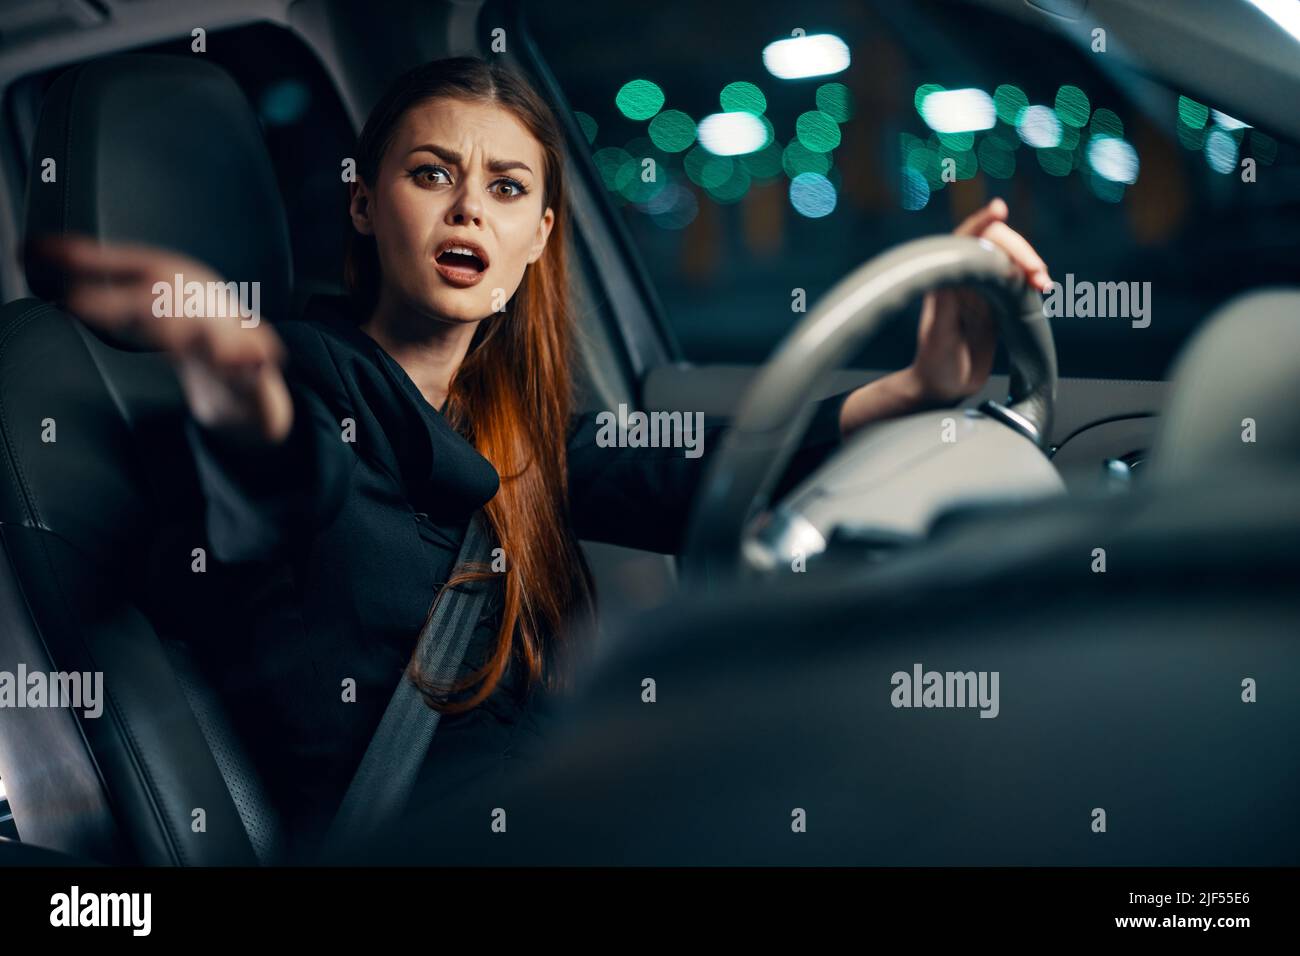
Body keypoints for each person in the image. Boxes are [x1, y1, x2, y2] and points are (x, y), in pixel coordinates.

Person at [32, 57, 1052, 858]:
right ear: (363, 205)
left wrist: (914, 390)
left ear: (536, 238)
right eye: (431, 174)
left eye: (505, 188)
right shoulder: (310, 377)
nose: (467, 208)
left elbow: (700, 470)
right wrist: (238, 374)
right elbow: (286, 472)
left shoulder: (515, 422)